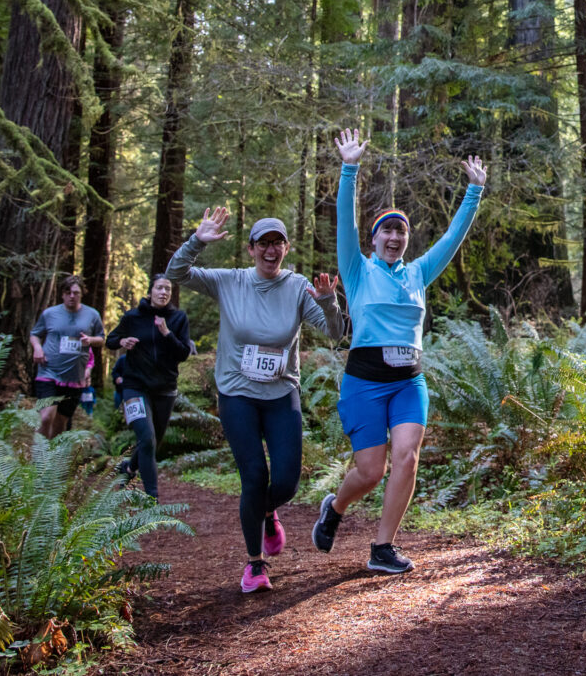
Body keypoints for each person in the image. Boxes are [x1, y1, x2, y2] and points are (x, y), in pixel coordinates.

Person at [311, 128, 485, 573]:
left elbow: (451, 239)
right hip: (365, 381)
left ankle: (382, 548)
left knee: (406, 457)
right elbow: (344, 224)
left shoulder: (418, 274)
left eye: (401, 232)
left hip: (409, 381)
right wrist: (349, 167)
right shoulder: (357, 270)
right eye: (386, 230)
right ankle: (335, 507)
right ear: (373, 239)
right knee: (369, 472)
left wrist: (474, 192)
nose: (394, 237)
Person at [167, 207, 344, 593]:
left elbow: (336, 333)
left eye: (277, 242)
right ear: (251, 249)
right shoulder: (230, 282)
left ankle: (268, 511)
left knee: (286, 480)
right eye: (263, 243)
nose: (270, 250)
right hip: (237, 393)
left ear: (286, 248)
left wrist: (330, 300)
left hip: (281, 393)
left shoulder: (297, 286)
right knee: (254, 476)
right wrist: (197, 240)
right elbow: (174, 274)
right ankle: (254, 565)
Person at [105, 274, 194, 500]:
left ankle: (128, 468)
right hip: (135, 387)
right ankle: (151, 499)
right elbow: (110, 340)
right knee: (146, 438)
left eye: (168, 289)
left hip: (165, 389)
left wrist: (167, 333)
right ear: (150, 291)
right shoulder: (133, 317)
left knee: (154, 441)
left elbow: (183, 353)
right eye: (159, 288)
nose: (164, 293)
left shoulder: (178, 319)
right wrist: (122, 342)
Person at [30, 275, 105, 439]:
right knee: (46, 417)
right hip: (48, 372)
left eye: (76, 293)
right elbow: (35, 334)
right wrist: (37, 348)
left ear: (81, 294)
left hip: (74, 378)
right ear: (62, 294)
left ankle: (53, 461)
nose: (72, 296)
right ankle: (37, 460)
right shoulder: (49, 314)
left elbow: (101, 339)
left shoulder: (92, 315)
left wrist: (90, 340)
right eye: (68, 292)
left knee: (60, 423)